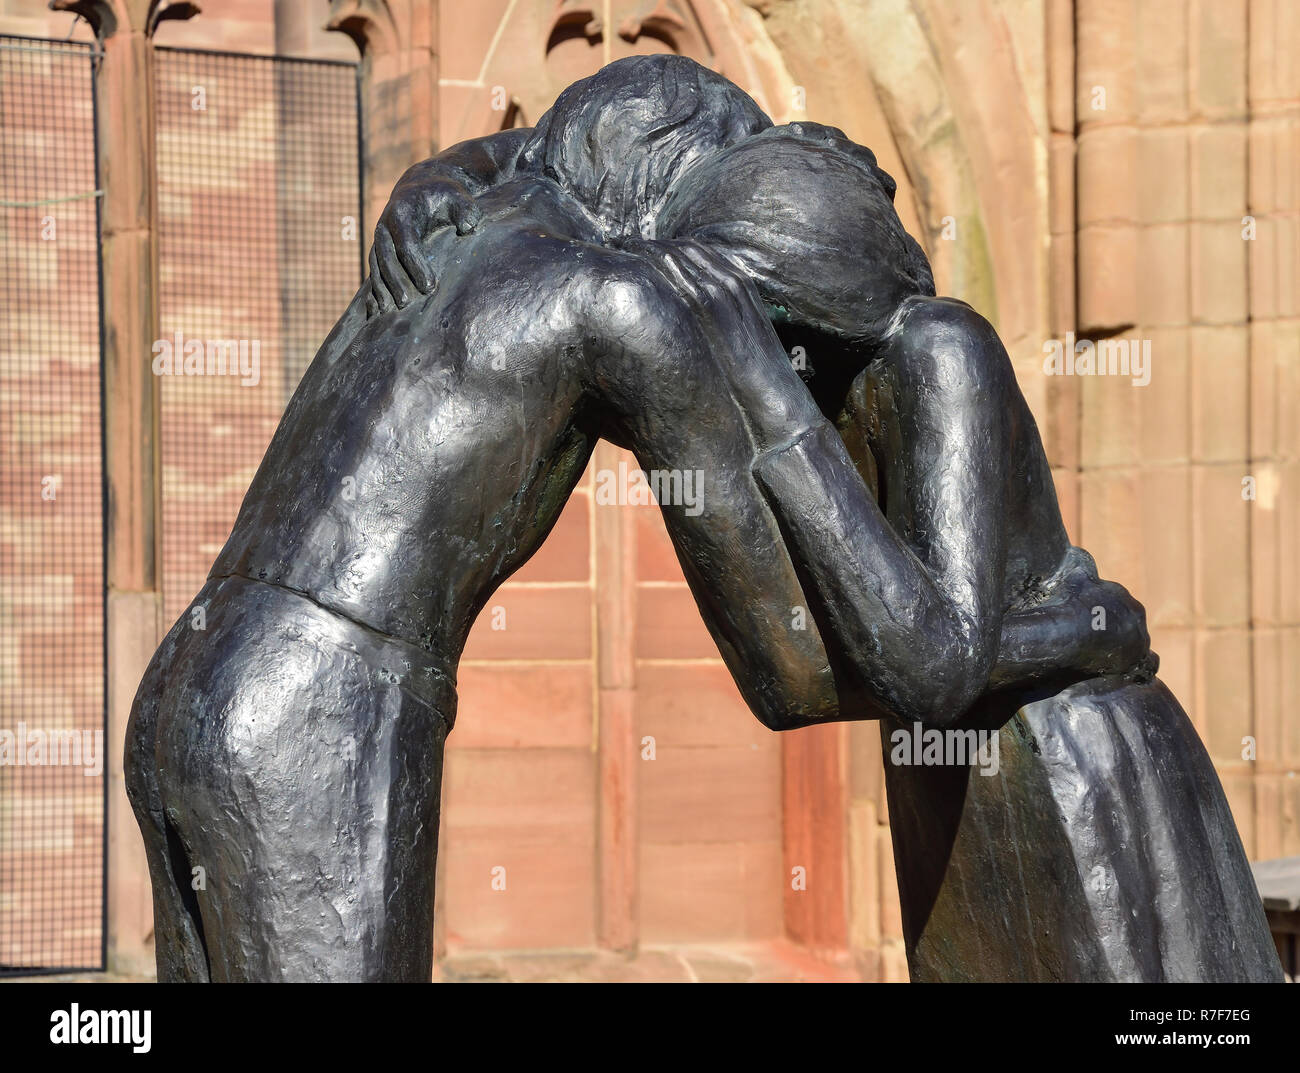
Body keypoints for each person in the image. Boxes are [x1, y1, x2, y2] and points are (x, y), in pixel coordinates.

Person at [374, 57, 1280, 981]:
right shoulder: (798, 375)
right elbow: (794, 685)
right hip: (955, 784)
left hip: (1076, 771)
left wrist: (773, 401)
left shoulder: (936, 351)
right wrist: (442, 182)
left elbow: (931, 669)